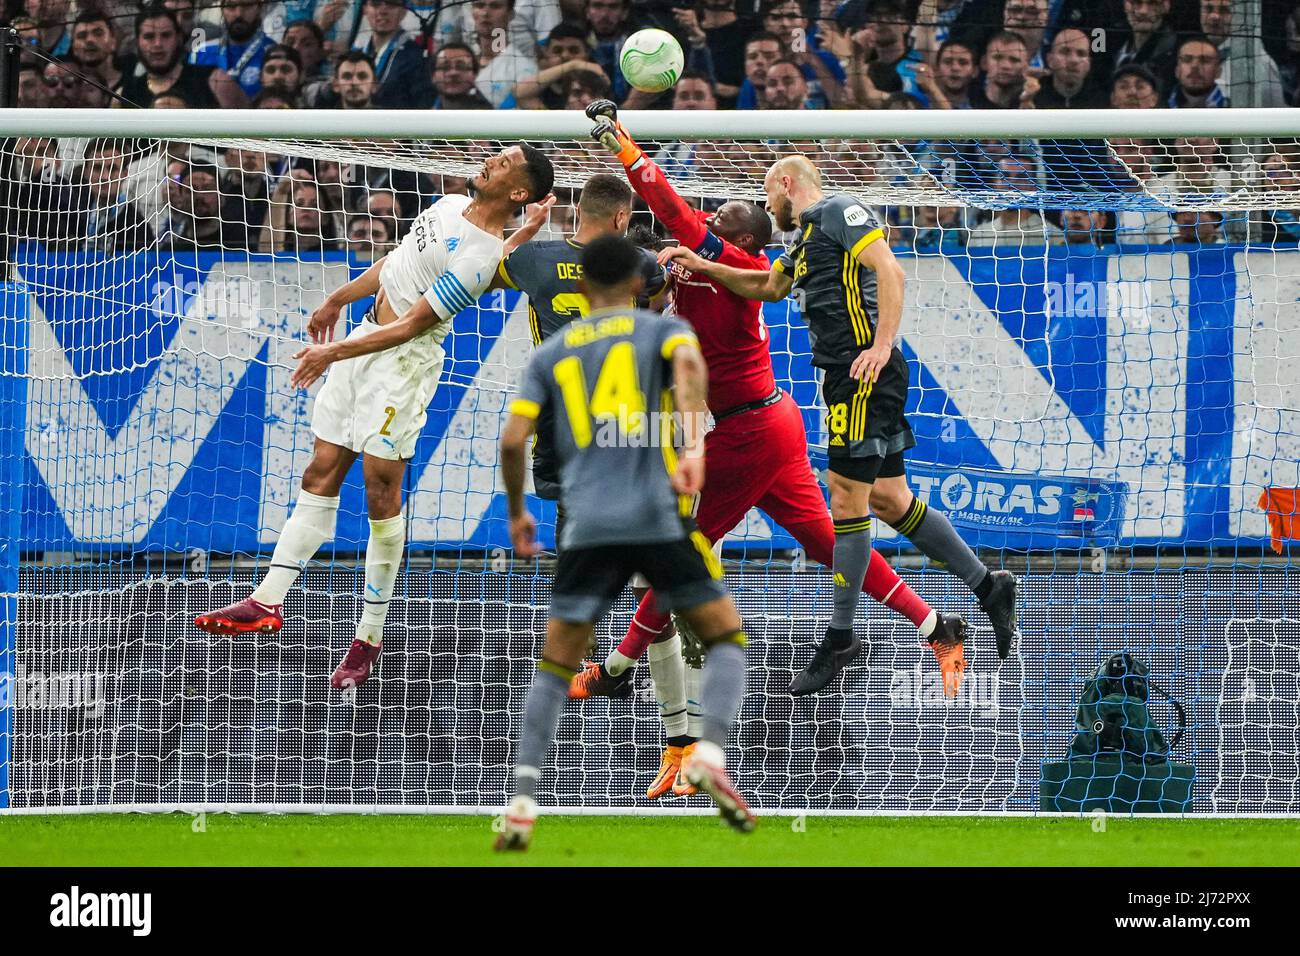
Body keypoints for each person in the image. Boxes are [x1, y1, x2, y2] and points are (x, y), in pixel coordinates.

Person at [583, 104, 974, 796]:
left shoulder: (730, 260)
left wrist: (621, 144)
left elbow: (668, 203)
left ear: (740, 235)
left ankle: (616, 669)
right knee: (829, 542)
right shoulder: (707, 271)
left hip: (746, 432)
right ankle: (937, 623)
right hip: (772, 423)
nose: (714, 215)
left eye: (730, 212)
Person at [193, 145, 555, 692]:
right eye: (494, 157)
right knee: (320, 470)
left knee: (379, 494)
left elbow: (414, 324)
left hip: (402, 368)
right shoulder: (448, 206)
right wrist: (338, 299)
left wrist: (328, 353)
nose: (489, 162)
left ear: (519, 192)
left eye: (503, 164)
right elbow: (396, 265)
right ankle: (267, 601)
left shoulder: (480, 254)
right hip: (363, 337)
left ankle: (367, 639)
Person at [661, 153, 1022, 694]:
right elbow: (766, 289)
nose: (767, 207)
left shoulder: (838, 210)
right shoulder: (802, 241)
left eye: (767, 196)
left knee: (846, 505)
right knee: (889, 501)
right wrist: (706, 266)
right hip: (848, 376)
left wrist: (881, 345)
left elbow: (889, 269)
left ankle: (840, 637)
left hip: (861, 371)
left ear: (786, 183)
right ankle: (988, 585)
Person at [495, 235, 755, 851]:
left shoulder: (553, 351)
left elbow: (512, 441)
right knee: (726, 640)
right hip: (659, 519)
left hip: (588, 525)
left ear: (581, 287)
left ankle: (523, 800)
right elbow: (691, 374)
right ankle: (709, 753)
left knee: (556, 666)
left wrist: (515, 514)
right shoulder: (667, 334)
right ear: (640, 285)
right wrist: (692, 448)